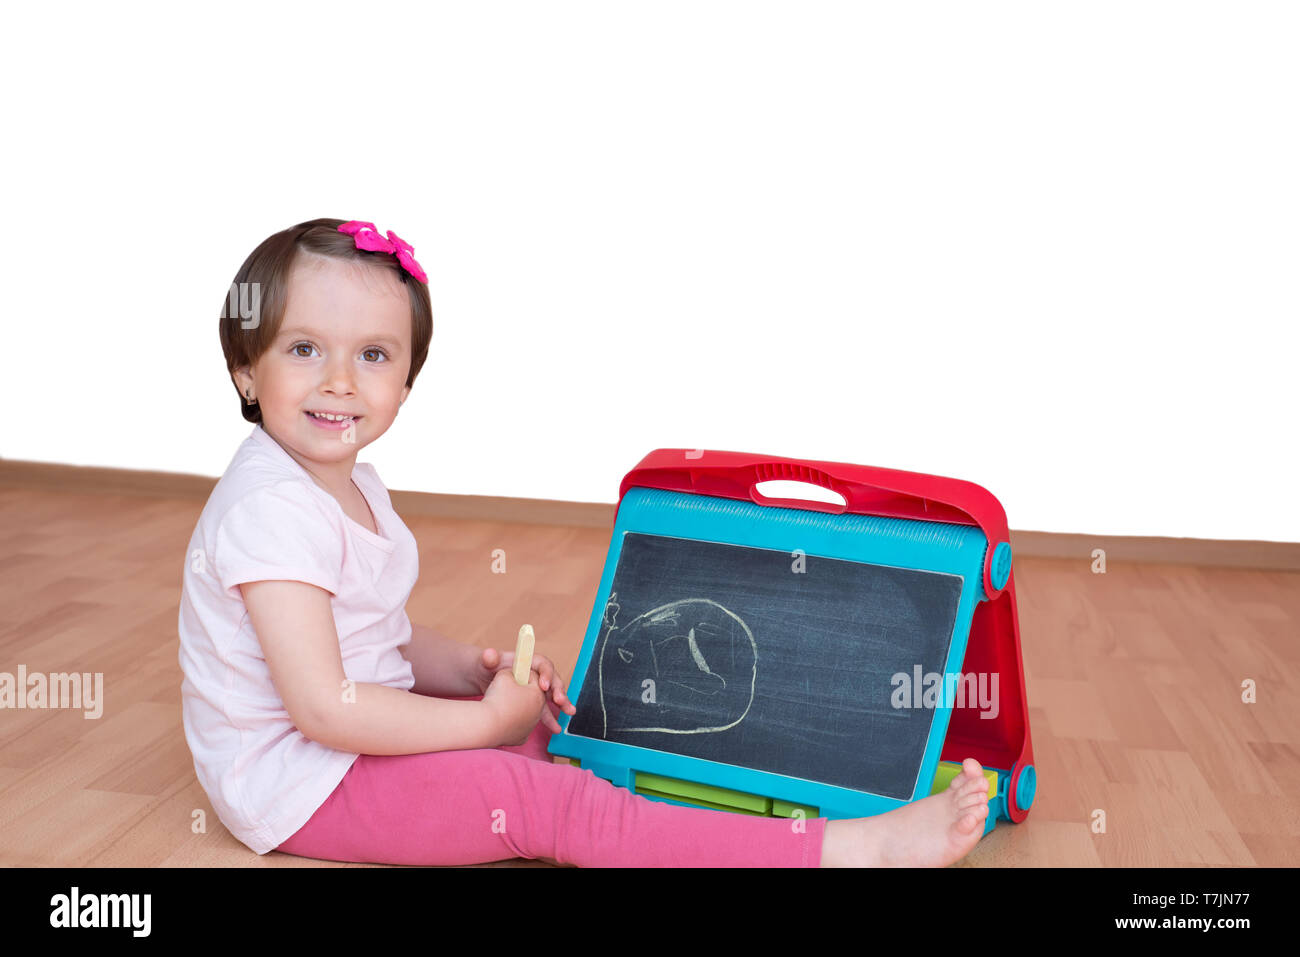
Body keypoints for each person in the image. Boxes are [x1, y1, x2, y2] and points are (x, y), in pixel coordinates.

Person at [177, 218, 991, 868]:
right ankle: (853, 850)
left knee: (563, 735)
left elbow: (367, 634)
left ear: (406, 383)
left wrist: (466, 670)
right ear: (247, 369)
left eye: (374, 355)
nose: (340, 380)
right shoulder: (270, 510)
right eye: (305, 348)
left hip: (338, 751)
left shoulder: (350, 482)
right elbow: (324, 706)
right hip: (301, 786)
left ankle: (744, 812)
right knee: (550, 799)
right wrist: (480, 725)